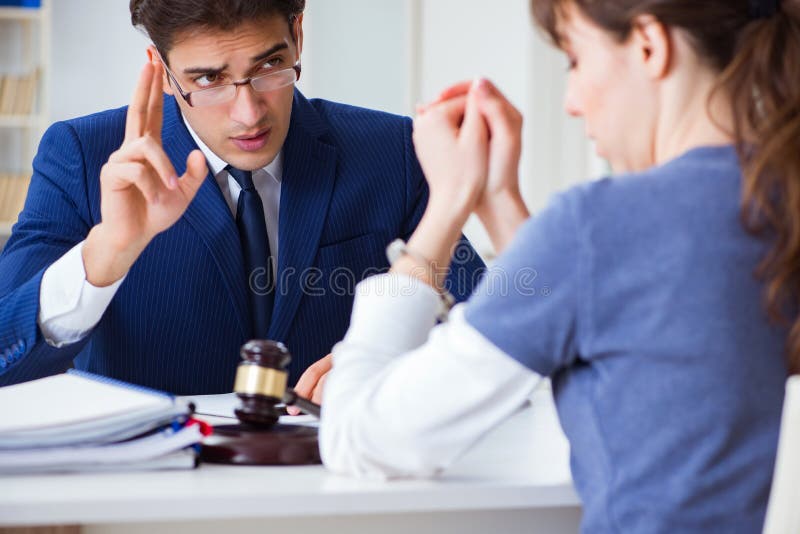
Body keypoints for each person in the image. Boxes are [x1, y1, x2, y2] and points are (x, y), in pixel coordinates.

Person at [321, 0, 799, 531]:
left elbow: (358, 439)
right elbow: (606, 343)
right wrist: (500, 200)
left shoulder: (599, 228)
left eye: (574, 60)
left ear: (649, 45)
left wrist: (447, 205)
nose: (570, 102)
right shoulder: (779, 202)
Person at [0, 0, 485, 395]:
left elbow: (492, 328)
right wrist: (105, 253)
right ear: (162, 70)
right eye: (209, 79)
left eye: (270, 65)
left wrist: (391, 357)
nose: (249, 112)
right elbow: (7, 353)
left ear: (298, 34)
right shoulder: (83, 155)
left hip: (339, 482)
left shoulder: (392, 149)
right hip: (151, 495)